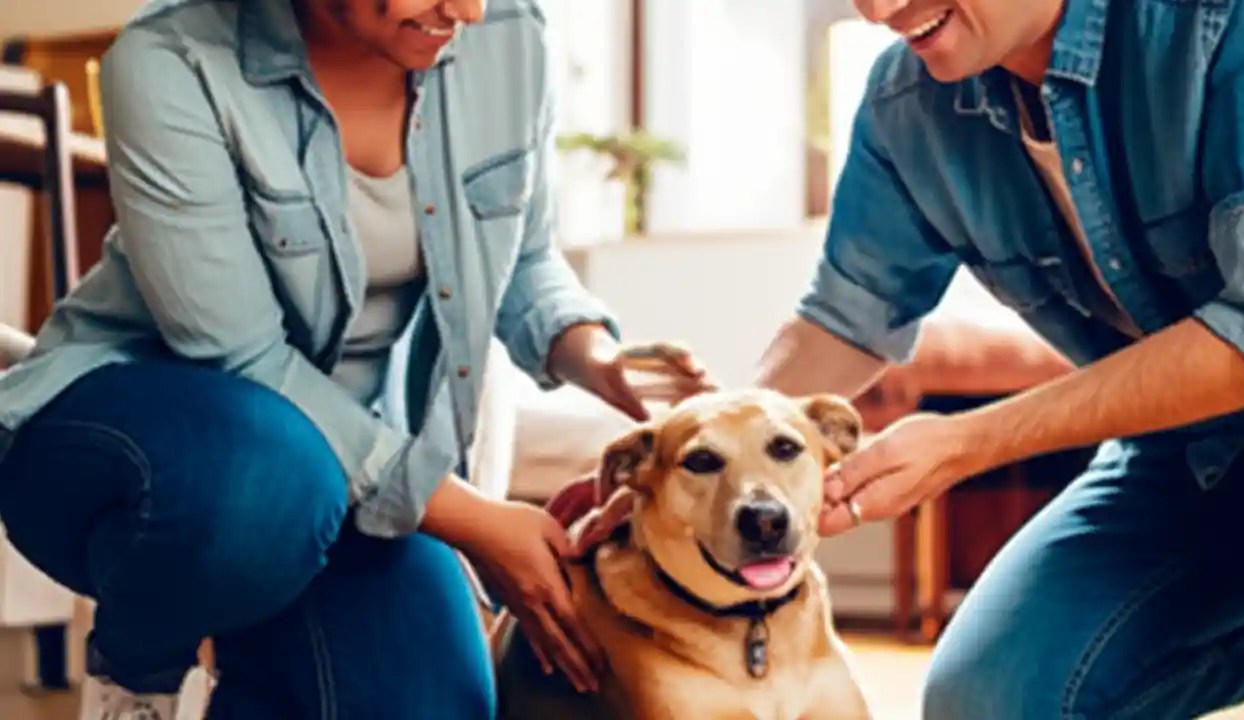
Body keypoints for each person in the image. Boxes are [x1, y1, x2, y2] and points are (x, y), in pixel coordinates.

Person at [559, 0, 1244, 717]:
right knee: (988, 701)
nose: (881, 8)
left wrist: (969, 441)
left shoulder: (1239, 25)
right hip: (1191, 460)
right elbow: (847, 320)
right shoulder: (910, 105)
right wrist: (695, 465)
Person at [0, 0, 712, 718]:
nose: (465, 10)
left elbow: (523, 255)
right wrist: (478, 522)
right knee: (270, 480)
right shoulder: (172, 60)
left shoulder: (506, 34)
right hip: (133, 448)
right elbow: (239, 357)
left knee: (431, 698)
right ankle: (136, 673)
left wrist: (590, 349)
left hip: (348, 474)